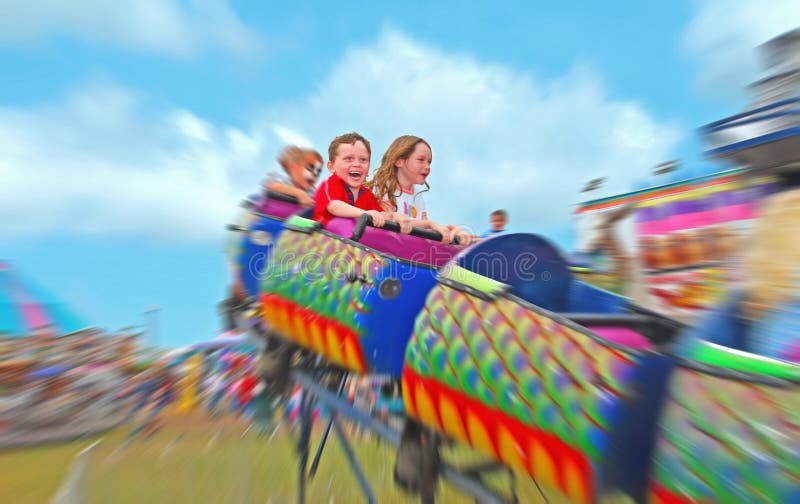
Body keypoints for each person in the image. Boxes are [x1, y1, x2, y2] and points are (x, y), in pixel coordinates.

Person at [367, 135, 469, 244]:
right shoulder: (383, 188)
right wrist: (430, 224)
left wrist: (449, 231)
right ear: (399, 161)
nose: (427, 166)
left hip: (407, 248)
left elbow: (425, 229)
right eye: (421, 160)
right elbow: (388, 222)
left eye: (429, 162)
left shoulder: (418, 197)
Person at [313, 132, 409, 230]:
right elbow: (334, 206)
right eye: (349, 158)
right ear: (332, 166)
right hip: (322, 234)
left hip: (352, 238)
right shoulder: (330, 184)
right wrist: (364, 213)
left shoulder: (367, 195)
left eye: (363, 160)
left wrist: (394, 216)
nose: (357, 164)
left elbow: (380, 215)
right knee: (346, 223)